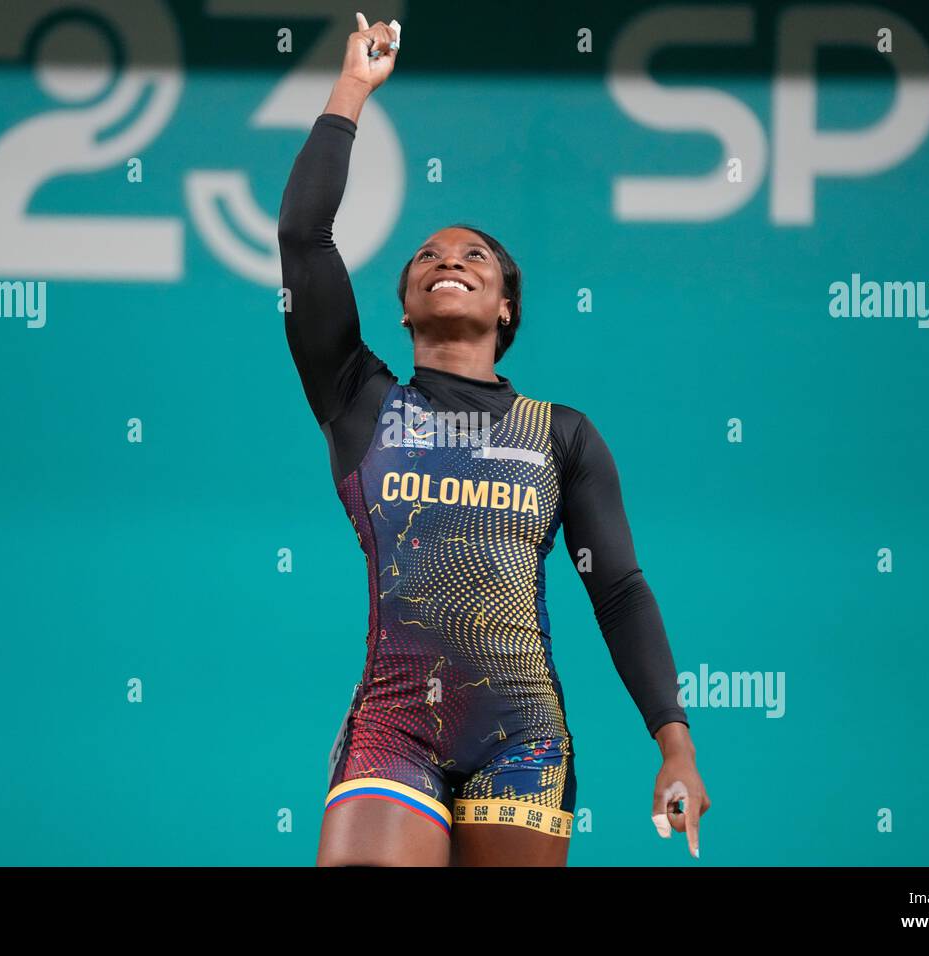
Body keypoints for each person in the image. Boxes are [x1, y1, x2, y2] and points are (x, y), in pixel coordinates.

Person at [277, 13, 709, 867]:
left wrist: (676, 746)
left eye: (476, 254)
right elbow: (302, 237)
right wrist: (351, 91)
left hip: (525, 738)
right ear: (403, 304)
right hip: (392, 728)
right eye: (428, 254)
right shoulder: (358, 400)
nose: (451, 258)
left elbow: (617, 591)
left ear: (506, 305)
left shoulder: (563, 435)